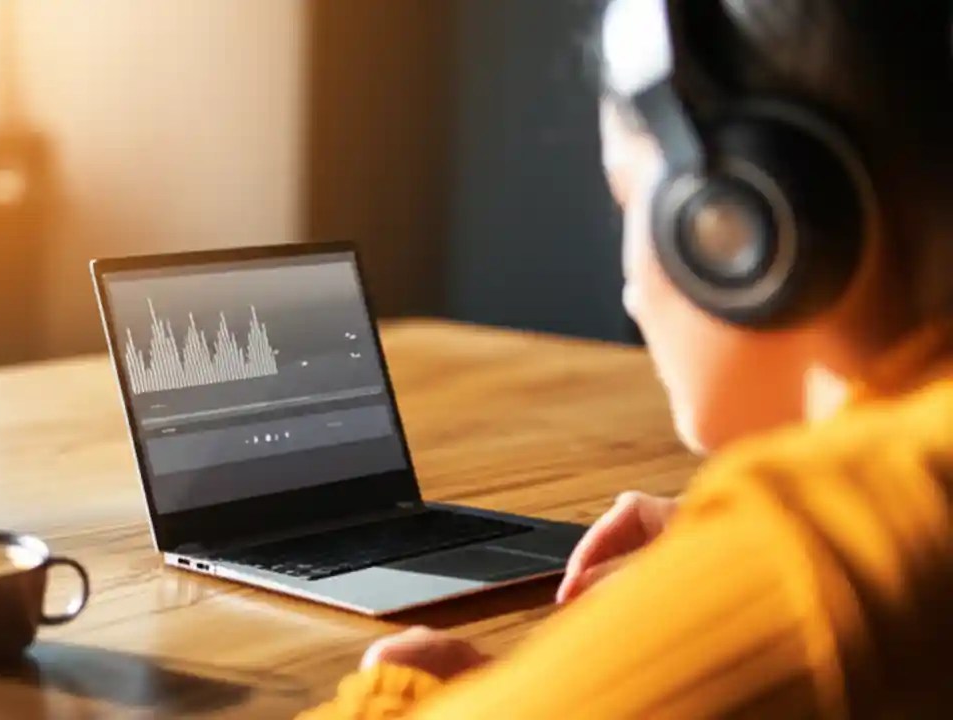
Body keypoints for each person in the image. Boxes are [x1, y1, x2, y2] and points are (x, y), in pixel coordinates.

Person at [300, 0, 953, 717]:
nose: (633, 290)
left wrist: (397, 692)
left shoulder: (819, 566)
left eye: (627, 198)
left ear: (737, 227)